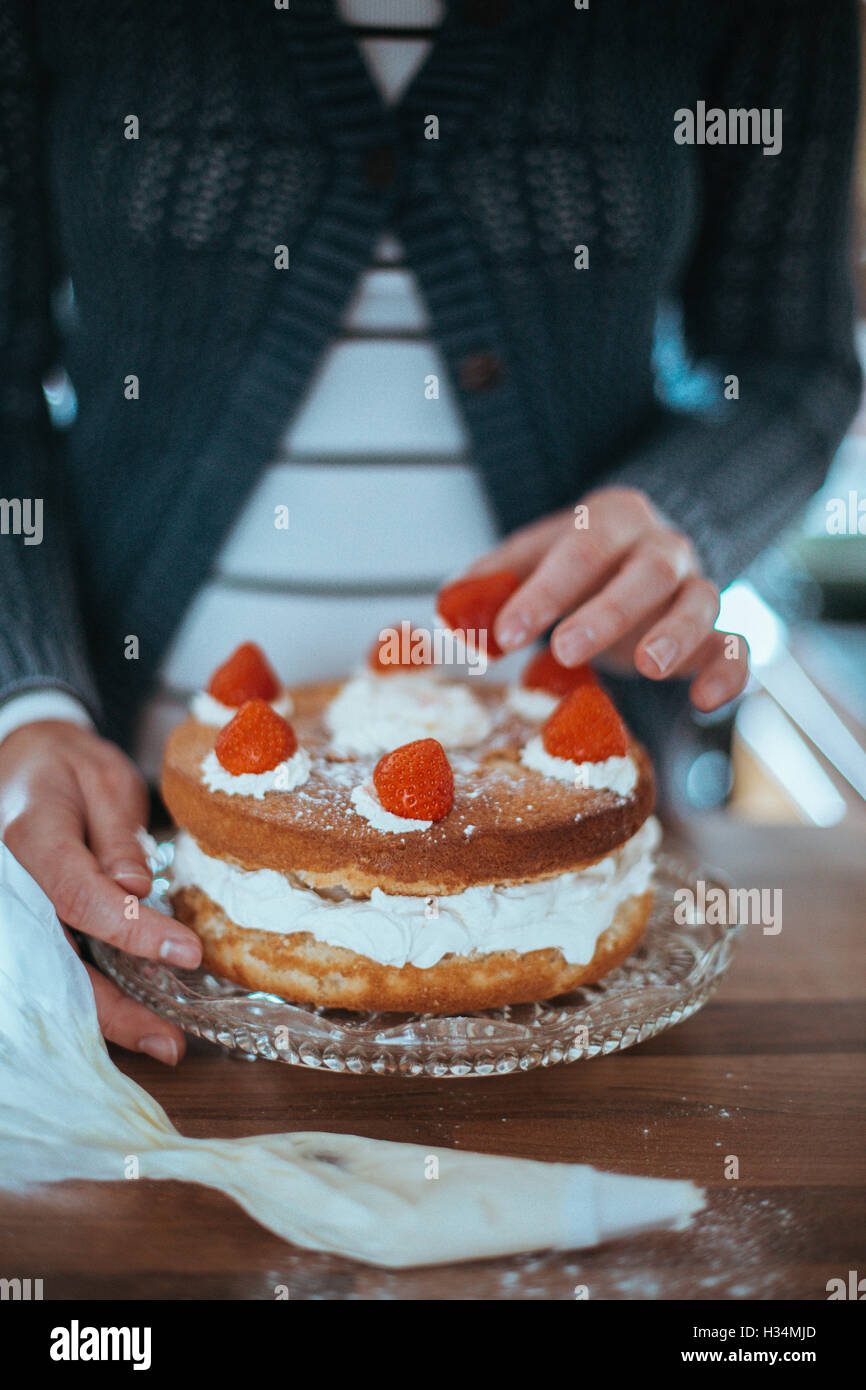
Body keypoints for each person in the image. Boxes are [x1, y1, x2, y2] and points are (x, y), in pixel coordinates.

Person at [0, 0, 860, 1064]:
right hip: (137, 860)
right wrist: (26, 698)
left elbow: (788, 366)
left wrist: (678, 510)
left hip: (565, 826)